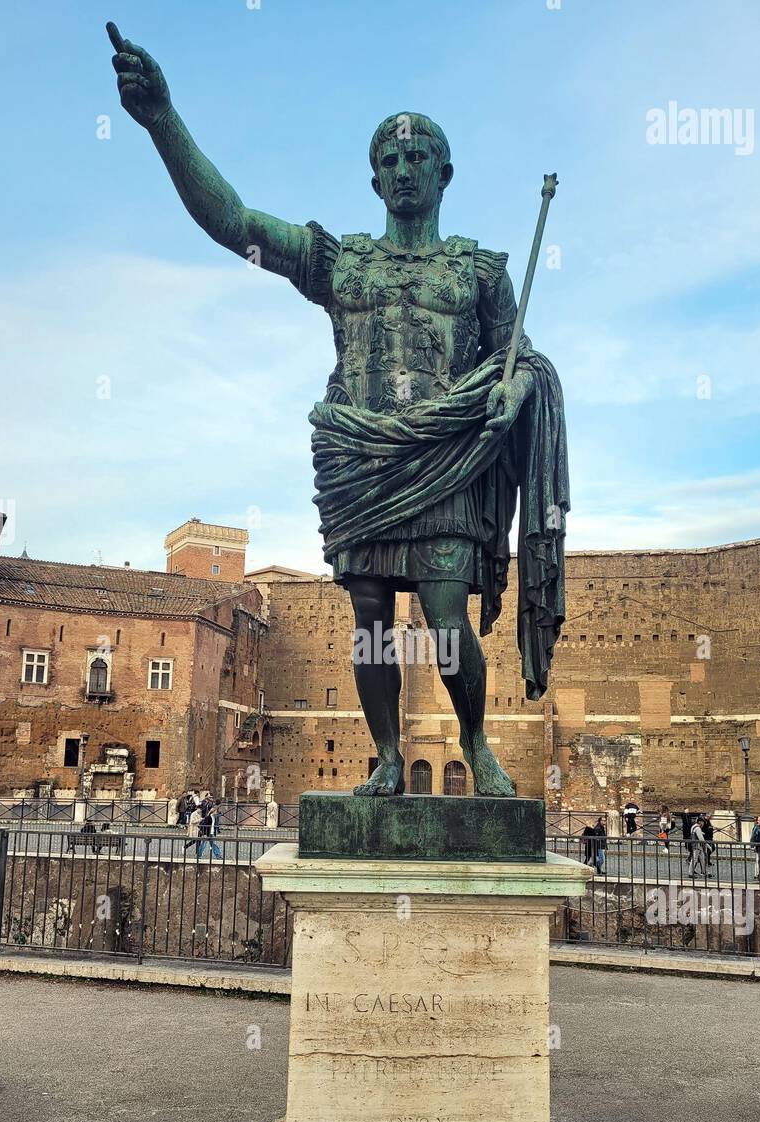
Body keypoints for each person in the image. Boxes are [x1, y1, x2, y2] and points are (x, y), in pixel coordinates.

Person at [106, 26, 569, 799]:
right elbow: (236, 224)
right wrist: (163, 121)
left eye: (418, 157)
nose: (404, 169)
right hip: (360, 461)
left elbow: (517, 355)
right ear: (373, 180)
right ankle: (388, 758)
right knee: (370, 621)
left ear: (445, 172)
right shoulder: (340, 261)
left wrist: (516, 387)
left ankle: (477, 744)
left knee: (446, 617)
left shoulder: (481, 271)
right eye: (389, 160)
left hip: (444, 460)